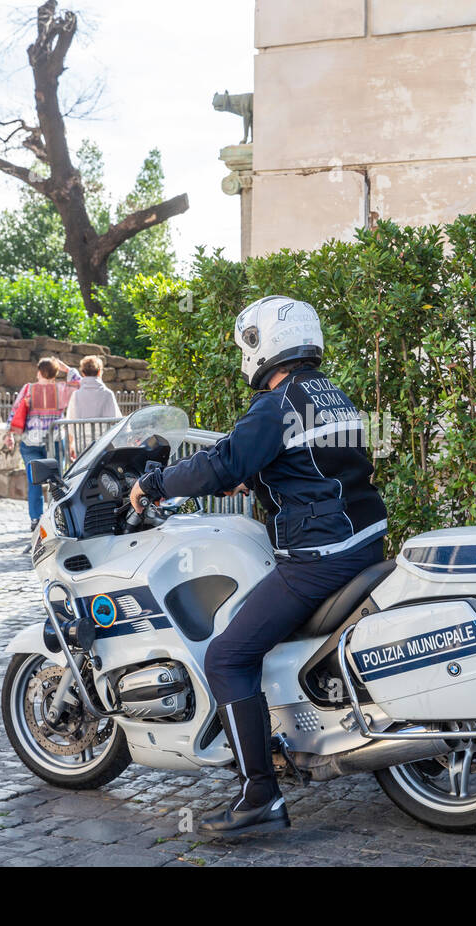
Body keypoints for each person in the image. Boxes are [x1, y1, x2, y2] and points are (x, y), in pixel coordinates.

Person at [130, 295, 388, 837]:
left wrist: (153, 484)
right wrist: (260, 476)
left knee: (227, 654)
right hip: (362, 540)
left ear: (263, 343)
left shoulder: (277, 404)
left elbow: (222, 461)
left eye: (247, 342)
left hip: (320, 556)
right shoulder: (329, 394)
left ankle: (258, 796)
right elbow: (315, 464)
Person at [3, 356, 80, 531]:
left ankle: (35, 519)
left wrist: (10, 434)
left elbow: (15, 410)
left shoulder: (28, 388)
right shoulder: (62, 389)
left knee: (34, 482)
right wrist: (67, 369)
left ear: (39, 371)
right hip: (54, 441)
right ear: (55, 373)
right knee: (57, 480)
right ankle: (57, 514)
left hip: (31, 440)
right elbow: (80, 384)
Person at [63, 354, 121, 461]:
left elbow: (70, 423)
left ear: (83, 373)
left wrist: (71, 444)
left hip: (81, 445)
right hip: (103, 445)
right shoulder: (108, 394)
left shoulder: (76, 395)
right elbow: (116, 421)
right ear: (100, 372)